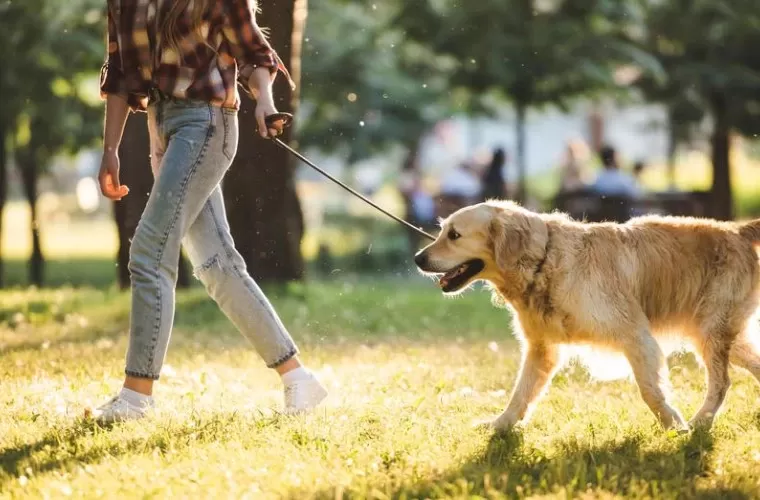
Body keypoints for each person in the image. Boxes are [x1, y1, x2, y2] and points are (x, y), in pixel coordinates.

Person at [93, 0, 327, 423]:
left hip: (207, 124)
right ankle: (299, 379)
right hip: (163, 126)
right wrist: (110, 149)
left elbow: (255, 53)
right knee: (217, 264)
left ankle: (136, 397)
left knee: (149, 252)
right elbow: (120, 73)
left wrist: (264, 102)